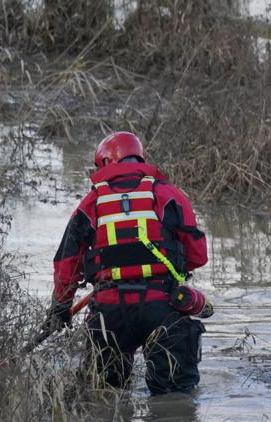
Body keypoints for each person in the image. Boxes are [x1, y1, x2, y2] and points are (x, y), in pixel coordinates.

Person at [48, 131, 209, 394]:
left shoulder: (90, 203)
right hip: (164, 305)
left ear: (105, 163)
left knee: (104, 396)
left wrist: (61, 307)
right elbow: (199, 256)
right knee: (175, 399)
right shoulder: (169, 195)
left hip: (110, 313)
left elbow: (67, 262)